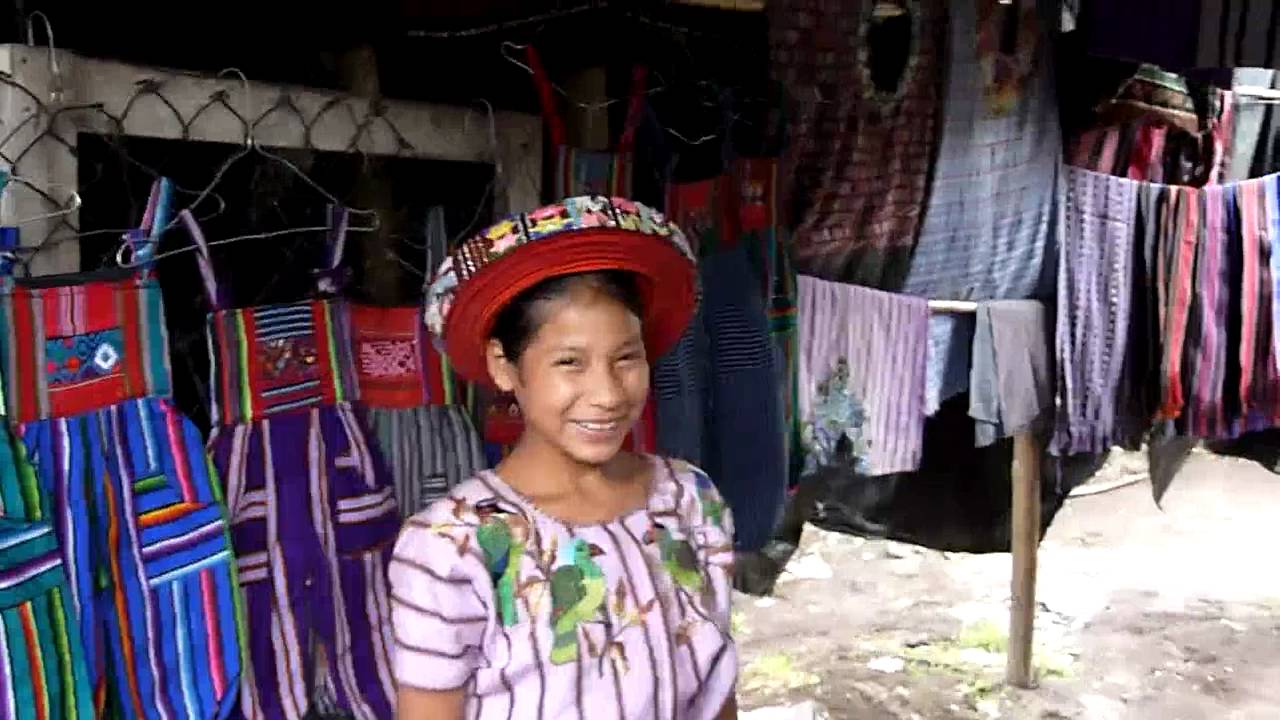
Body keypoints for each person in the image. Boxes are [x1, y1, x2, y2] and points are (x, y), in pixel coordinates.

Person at [391, 196, 739, 719]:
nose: (607, 393)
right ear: (504, 367)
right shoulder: (450, 548)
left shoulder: (689, 499)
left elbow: (718, 693)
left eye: (627, 357)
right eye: (569, 362)